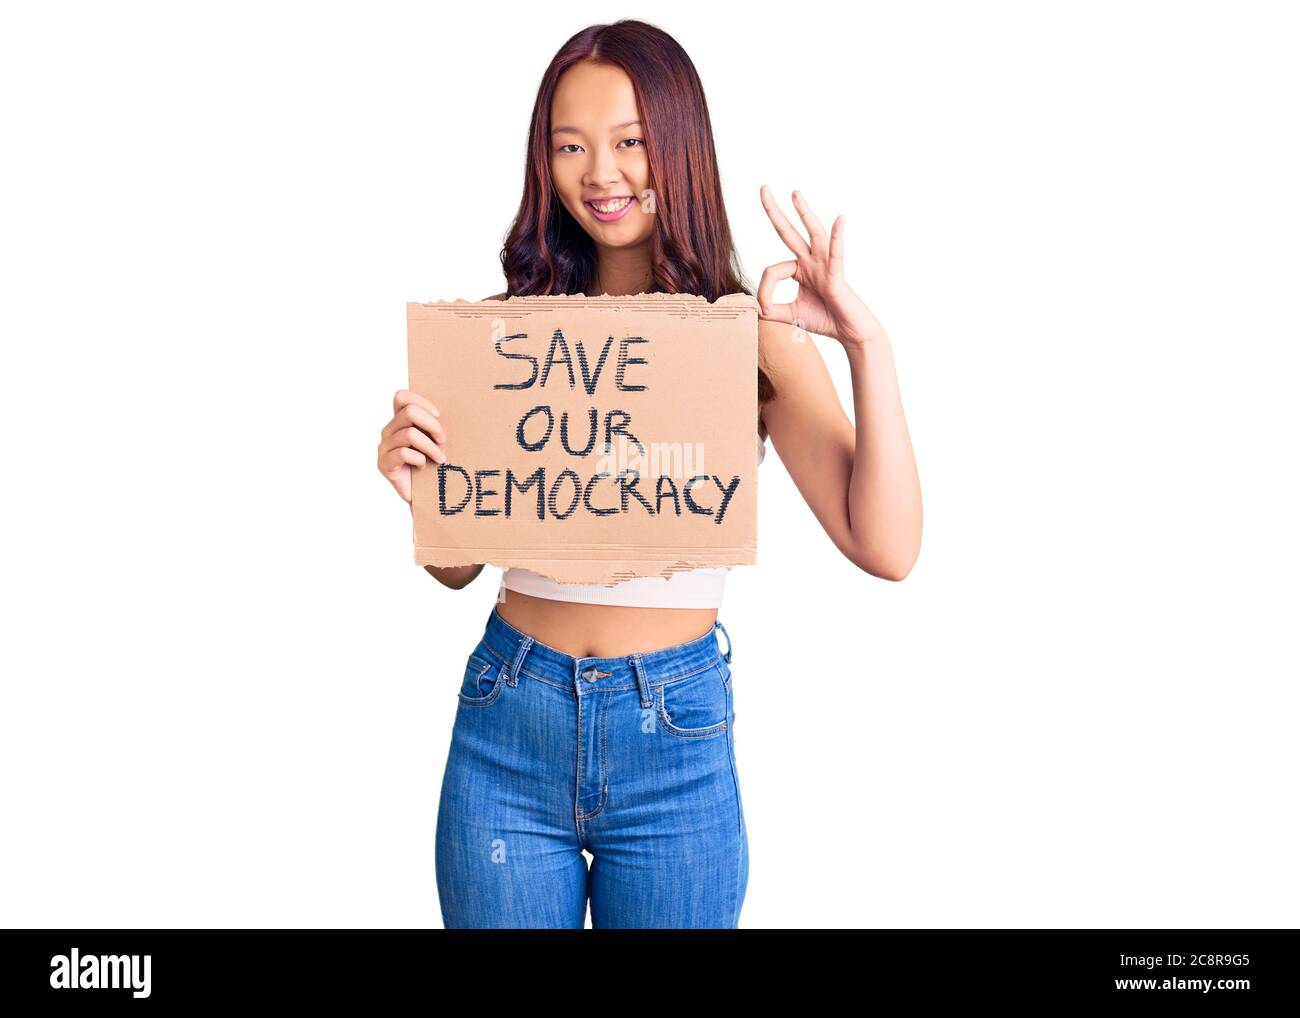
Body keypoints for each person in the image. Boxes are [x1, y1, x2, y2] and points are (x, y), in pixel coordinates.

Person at [376, 19, 922, 928]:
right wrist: (423, 488)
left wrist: (870, 345)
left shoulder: (747, 334)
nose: (602, 174)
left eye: (631, 142)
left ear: (678, 147)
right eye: (571, 145)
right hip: (510, 719)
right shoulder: (506, 333)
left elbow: (888, 546)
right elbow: (460, 567)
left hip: (674, 735)